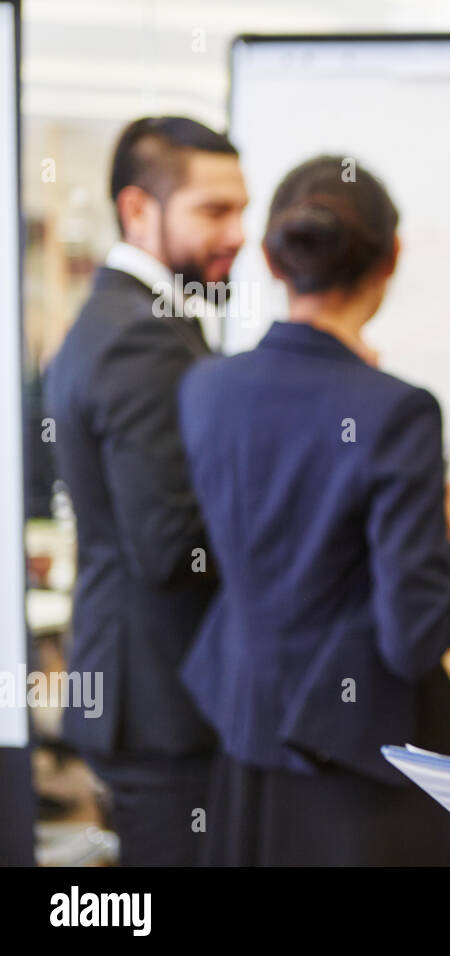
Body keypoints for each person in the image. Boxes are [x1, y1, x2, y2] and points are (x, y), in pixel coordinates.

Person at [177, 155, 450, 866]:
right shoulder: (397, 411)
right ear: (391, 260)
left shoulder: (206, 390)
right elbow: (413, 637)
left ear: (272, 258)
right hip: (365, 768)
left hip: (248, 741)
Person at [42, 116, 247, 866]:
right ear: (138, 209)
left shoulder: (136, 320)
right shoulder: (139, 335)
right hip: (160, 695)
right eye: (214, 211)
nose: (237, 234)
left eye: (242, 210)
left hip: (149, 687)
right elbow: (170, 545)